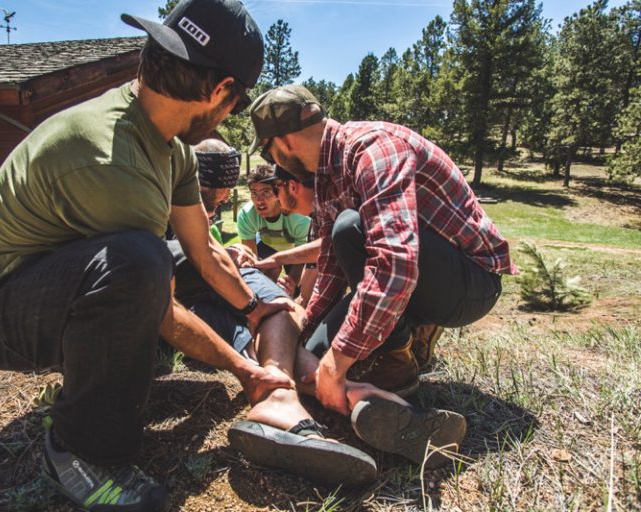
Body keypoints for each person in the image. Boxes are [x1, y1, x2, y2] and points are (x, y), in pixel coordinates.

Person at [0, 2, 292, 511]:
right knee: (140, 262)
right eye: (236, 103)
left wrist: (257, 310)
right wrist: (242, 369)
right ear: (219, 91)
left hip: (57, 282)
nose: (230, 114)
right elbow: (159, 303)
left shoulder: (173, 148)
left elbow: (204, 250)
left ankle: (154, 357)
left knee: (165, 256)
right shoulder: (110, 156)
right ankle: (81, 449)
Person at [248, 85, 517, 454]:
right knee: (310, 350)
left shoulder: (374, 148)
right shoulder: (327, 174)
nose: (272, 159)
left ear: (282, 142)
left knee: (349, 227)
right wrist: (304, 329)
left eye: (267, 151)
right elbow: (330, 267)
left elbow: (395, 265)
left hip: (469, 283)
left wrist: (339, 359)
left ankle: (396, 362)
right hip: (415, 284)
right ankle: (390, 404)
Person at [173, 146, 468, 475]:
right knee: (274, 315)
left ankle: (315, 399)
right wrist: (258, 305)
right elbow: (199, 253)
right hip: (198, 283)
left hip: (200, 290)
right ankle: (342, 397)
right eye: (227, 189)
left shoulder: (173, 203)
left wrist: (269, 286)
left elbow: (314, 264)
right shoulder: (175, 201)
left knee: (261, 326)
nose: (231, 197)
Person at [237, 164, 311, 282]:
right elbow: (250, 257)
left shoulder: (299, 217)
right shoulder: (247, 215)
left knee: (297, 286)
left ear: (278, 194)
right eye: (254, 193)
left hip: (294, 250)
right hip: (267, 246)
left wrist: (292, 283)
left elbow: (303, 257)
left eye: (266, 192)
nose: (259, 200)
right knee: (262, 275)